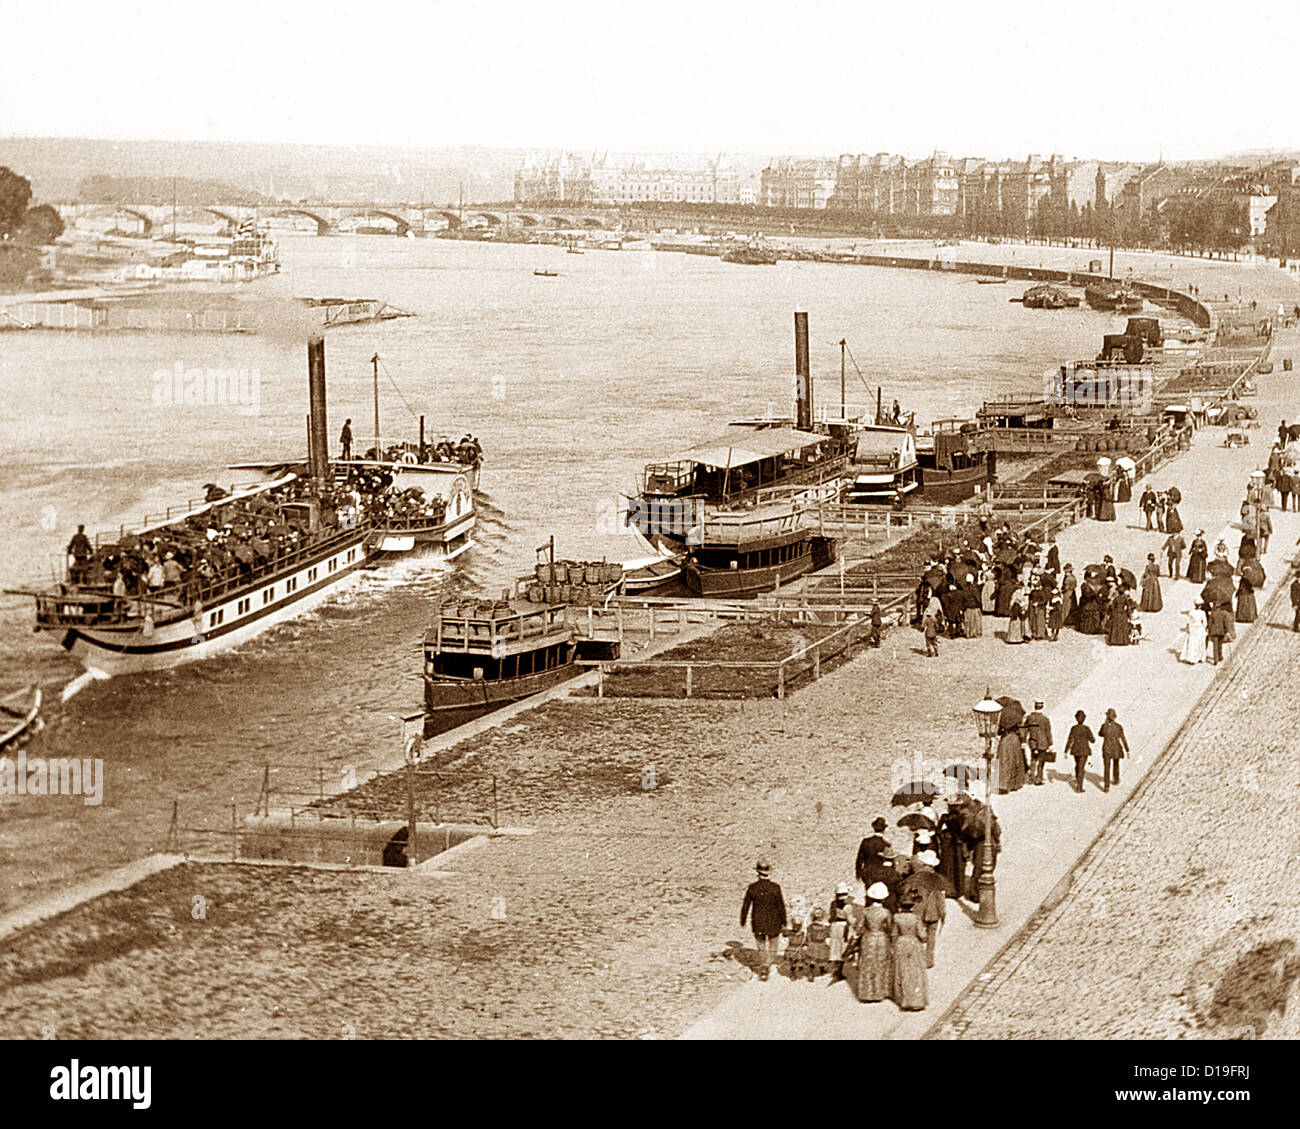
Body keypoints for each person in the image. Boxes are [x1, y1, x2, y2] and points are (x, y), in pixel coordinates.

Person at [740, 858, 787, 981]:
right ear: (769, 872)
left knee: (761, 945)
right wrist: (784, 921)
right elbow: (781, 905)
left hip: (758, 921)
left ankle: (763, 965)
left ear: (757, 873)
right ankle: (767, 965)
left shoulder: (752, 887)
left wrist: (743, 920)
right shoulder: (775, 887)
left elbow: (746, 904)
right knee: (773, 944)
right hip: (774, 921)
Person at [899, 851, 946, 968]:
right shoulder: (938, 879)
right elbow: (941, 898)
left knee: (917, 934)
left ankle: (916, 958)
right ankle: (929, 960)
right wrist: (942, 913)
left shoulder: (916, 878)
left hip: (919, 909)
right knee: (931, 937)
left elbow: (908, 893)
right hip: (934, 911)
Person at [852, 884, 893, 1003]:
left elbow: (859, 928)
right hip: (881, 938)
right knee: (881, 963)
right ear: (884, 898)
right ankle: (880, 992)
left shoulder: (866, 912)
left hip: (868, 938)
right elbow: (890, 928)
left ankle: (868, 993)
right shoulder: (886, 912)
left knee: (868, 964)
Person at [891, 900, 929, 1011]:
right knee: (915, 972)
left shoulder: (897, 918)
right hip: (913, 944)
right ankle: (916, 1001)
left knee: (903, 971)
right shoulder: (916, 918)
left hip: (901, 944)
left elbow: (894, 934)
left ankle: (905, 1001)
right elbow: (922, 935)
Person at [1099, 708, 1129, 793]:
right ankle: (1116, 779)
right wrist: (1127, 749)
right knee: (1116, 764)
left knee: (1107, 767)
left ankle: (1106, 786)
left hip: (1107, 748)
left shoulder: (1104, 726)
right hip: (1116, 748)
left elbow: (1100, 734)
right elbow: (1123, 738)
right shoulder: (1118, 727)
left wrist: (1105, 724)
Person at [1024, 700, 1054, 785]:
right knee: (1041, 761)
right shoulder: (1045, 719)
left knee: (1033, 759)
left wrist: (1023, 740)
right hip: (1043, 743)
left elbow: (1025, 729)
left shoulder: (1030, 717)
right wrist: (1051, 744)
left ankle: (1031, 777)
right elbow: (1048, 732)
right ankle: (1038, 778)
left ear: (1035, 706)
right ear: (1042, 707)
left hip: (1033, 742)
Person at [855, 817, 890, 890]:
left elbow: (860, 858)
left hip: (867, 872)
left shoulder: (866, 841)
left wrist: (858, 872)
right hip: (880, 873)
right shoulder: (885, 844)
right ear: (884, 830)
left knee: (869, 891)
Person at [1064, 709, 1095, 793]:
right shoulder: (1086, 728)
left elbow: (1070, 739)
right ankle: (1079, 787)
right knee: (1081, 767)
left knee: (1077, 765)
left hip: (1075, 750)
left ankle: (1078, 781)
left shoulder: (1073, 728)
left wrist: (1066, 750)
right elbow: (1093, 740)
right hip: (1084, 750)